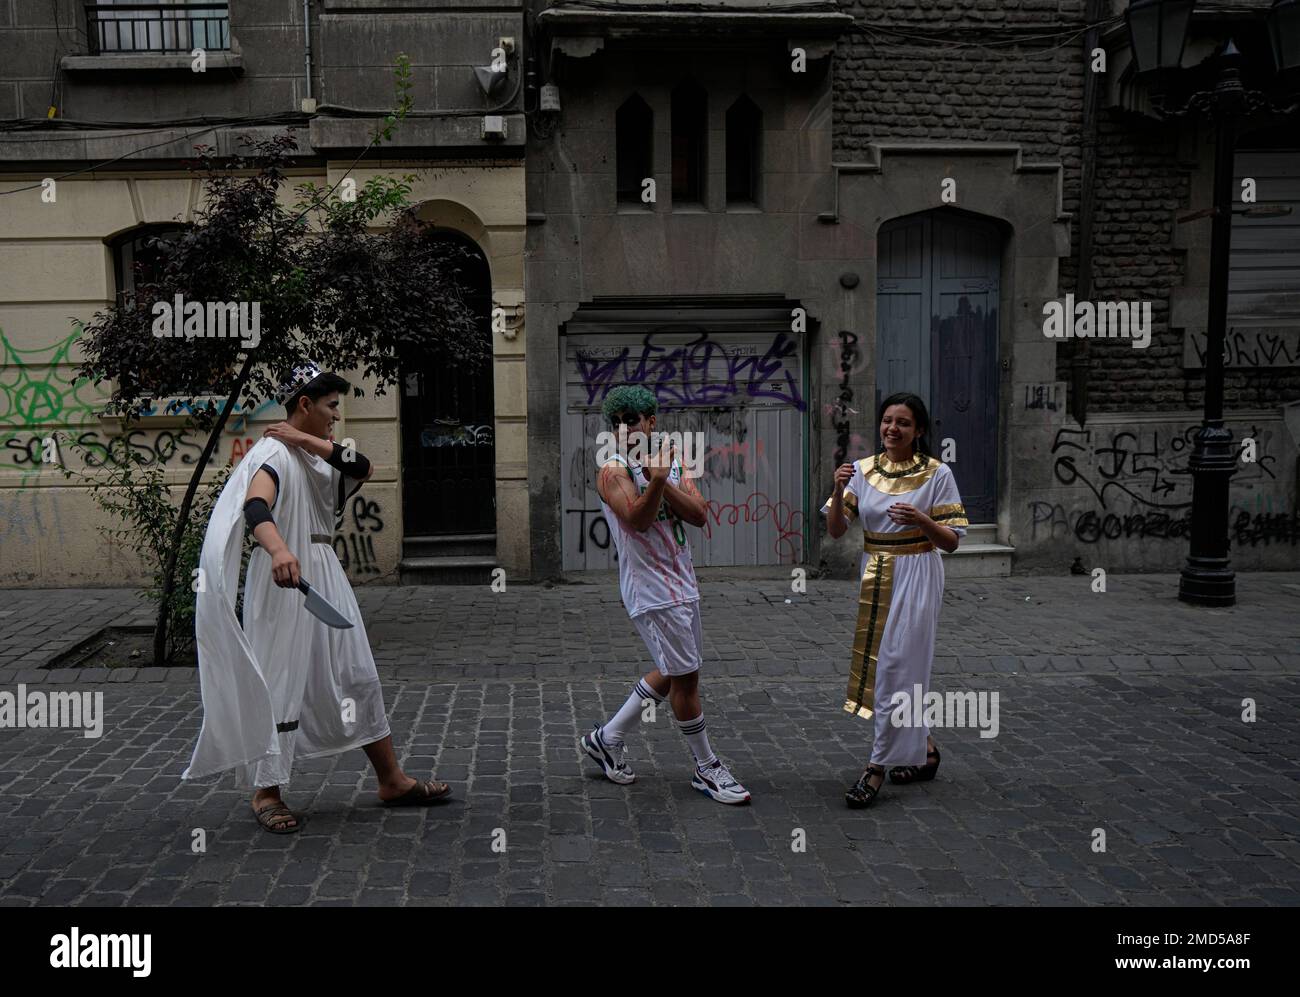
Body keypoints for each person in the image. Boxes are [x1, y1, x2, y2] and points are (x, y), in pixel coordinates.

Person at [183, 363, 451, 833]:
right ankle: (266, 790)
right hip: (284, 579)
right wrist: (280, 548)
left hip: (325, 574)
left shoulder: (312, 454)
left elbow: (363, 468)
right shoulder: (273, 455)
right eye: (329, 407)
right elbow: (256, 505)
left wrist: (305, 439)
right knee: (279, 681)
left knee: (357, 673)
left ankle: (391, 780)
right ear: (305, 404)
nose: (335, 417)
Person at [578, 384, 751, 805]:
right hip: (652, 591)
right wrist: (654, 480)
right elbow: (637, 519)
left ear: (651, 422)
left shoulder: (672, 463)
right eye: (616, 423)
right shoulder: (613, 471)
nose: (624, 429)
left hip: (682, 582)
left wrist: (663, 477)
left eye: (632, 420)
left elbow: (699, 514)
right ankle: (707, 767)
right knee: (687, 679)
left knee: (674, 669)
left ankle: (607, 738)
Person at [822, 392, 967, 808]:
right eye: (887, 420)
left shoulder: (937, 474)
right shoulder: (862, 471)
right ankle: (925, 750)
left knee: (896, 668)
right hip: (876, 573)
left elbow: (953, 541)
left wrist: (922, 520)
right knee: (890, 667)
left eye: (903, 423)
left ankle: (876, 767)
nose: (892, 429)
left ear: (918, 430)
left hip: (918, 572)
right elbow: (835, 530)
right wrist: (836, 487)